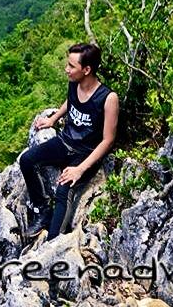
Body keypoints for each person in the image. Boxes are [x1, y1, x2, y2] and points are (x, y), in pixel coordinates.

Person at [18, 43, 119, 240]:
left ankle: (53, 242)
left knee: (64, 190)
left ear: (87, 69)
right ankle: (42, 210)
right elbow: (70, 101)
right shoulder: (74, 83)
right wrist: (53, 119)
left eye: (72, 66)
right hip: (65, 141)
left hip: (86, 152)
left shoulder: (108, 98)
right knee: (27, 160)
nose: (67, 70)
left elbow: (108, 140)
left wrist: (80, 169)